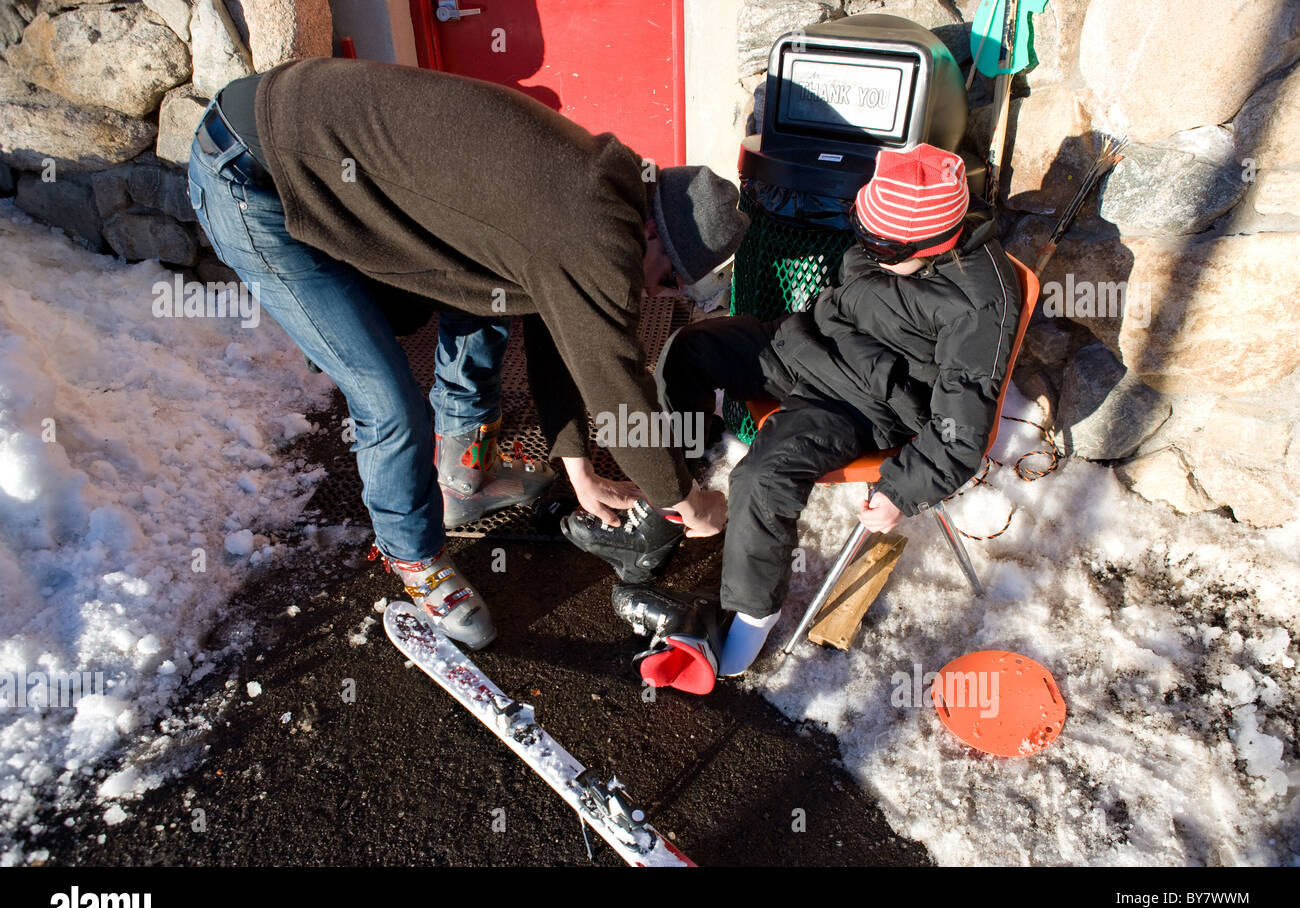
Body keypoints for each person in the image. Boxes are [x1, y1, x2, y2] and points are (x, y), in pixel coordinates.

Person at [187, 58, 743, 649]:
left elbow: (561, 326)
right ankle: (413, 558)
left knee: (493, 297)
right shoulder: (595, 232)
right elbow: (613, 378)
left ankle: (463, 476)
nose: (660, 293)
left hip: (306, 136)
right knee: (387, 399)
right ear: (654, 234)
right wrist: (682, 498)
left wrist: (577, 468)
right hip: (254, 173)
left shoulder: (605, 187)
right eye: (668, 277)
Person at [591, 143, 1021, 692]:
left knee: (762, 476)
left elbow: (963, 427)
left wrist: (902, 490)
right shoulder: (894, 235)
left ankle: (746, 629)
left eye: (879, 245)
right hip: (799, 346)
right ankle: (678, 487)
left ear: (933, 242)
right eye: (861, 231)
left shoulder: (980, 306)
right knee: (688, 350)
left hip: (856, 404)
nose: (866, 247)